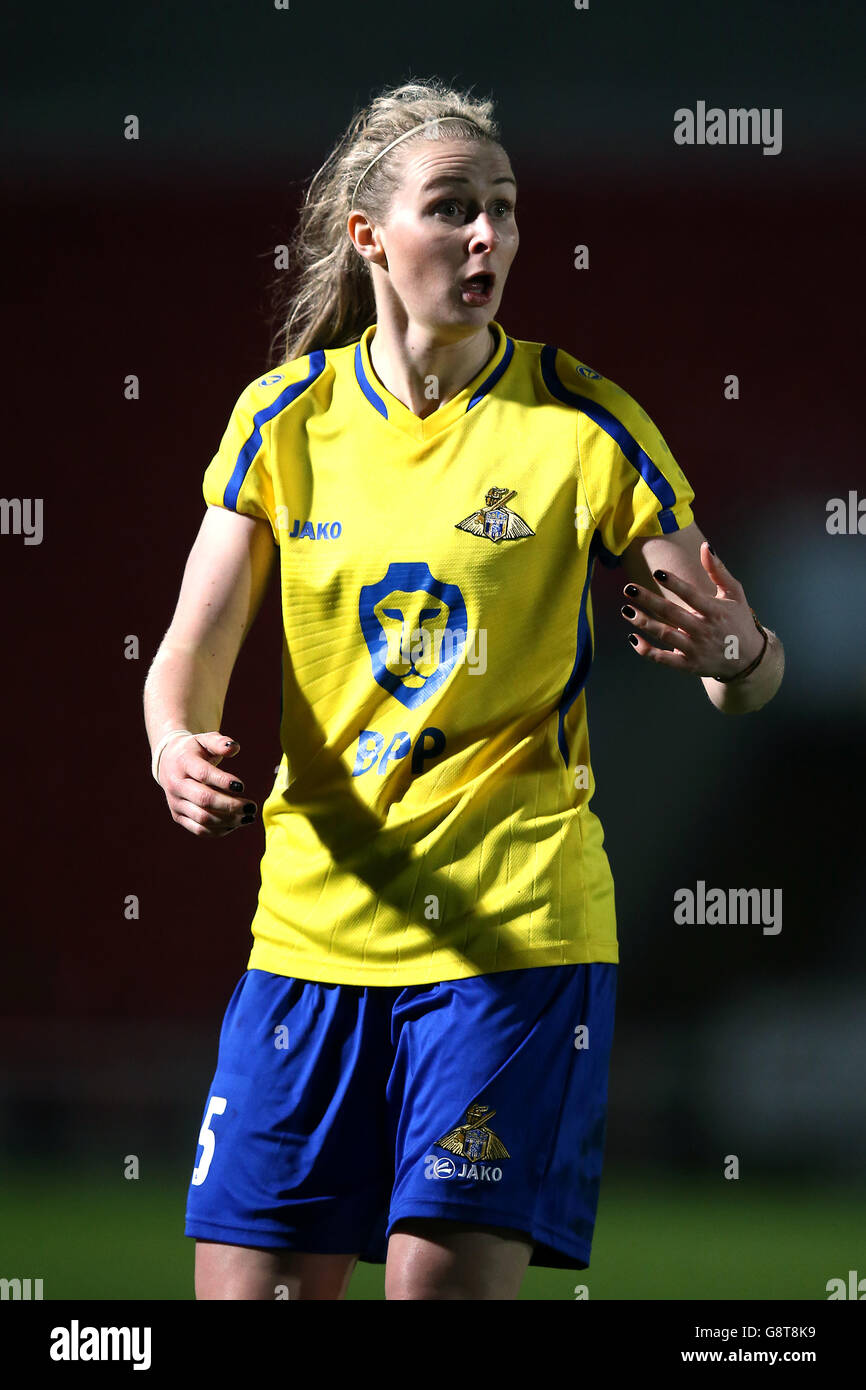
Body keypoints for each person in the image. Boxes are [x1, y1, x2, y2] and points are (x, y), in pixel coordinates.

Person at [143, 77, 785, 1301]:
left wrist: (737, 660)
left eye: (503, 208)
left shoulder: (585, 425)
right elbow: (189, 645)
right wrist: (174, 740)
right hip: (309, 939)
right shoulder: (284, 418)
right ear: (367, 236)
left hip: (510, 944)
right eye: (452, 207)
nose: (488, 234)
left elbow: (735, 666)